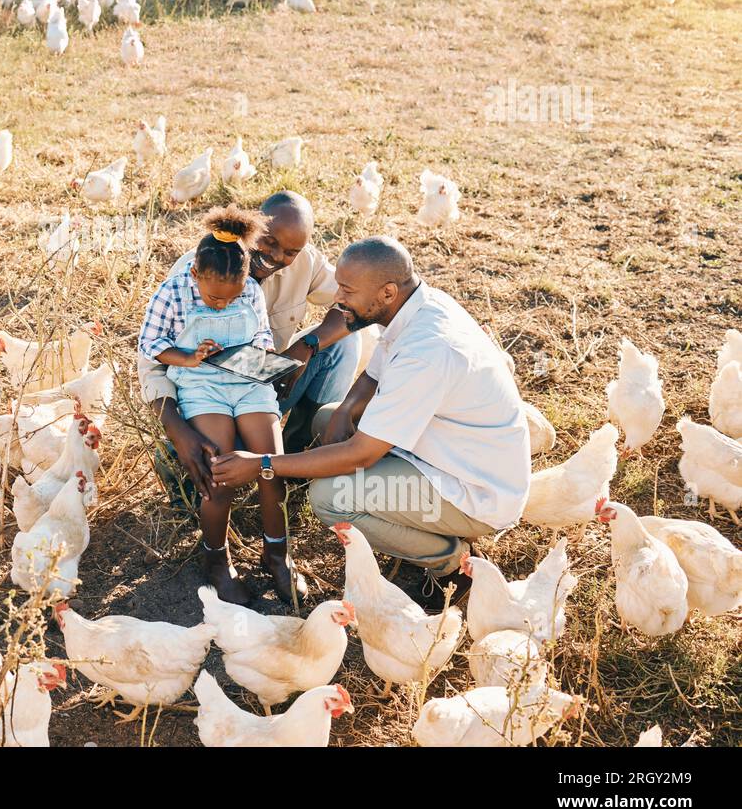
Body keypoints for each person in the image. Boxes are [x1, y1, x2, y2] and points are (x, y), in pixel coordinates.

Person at [211, 235, 531, 606]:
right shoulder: (418, 306)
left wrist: (264, 466)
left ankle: (452, 562)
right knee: (326, 419)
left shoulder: (427, 352)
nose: (337, 297)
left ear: (387, 292)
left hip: (475, 492)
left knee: (331, 498)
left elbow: (361, 455)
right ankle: (421, 526)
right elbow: (374, 374)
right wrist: (345, 412)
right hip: (449, 454)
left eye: (346, 289)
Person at [138, 191, 362, 591]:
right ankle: (214, 556)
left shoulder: (299, 262)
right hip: (196, 399)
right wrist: (179, 432)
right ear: (253, 225)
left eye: (290, 251)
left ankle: (286, 510)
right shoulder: (191, 275)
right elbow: (150, 364)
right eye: (270, 241)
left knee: (342, 342)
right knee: (212, 478)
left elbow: (354, 307)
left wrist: (301, 349)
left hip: (258, 384)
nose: (276, 256)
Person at [138, 206, 285, 604]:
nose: (221, 305)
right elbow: (150, 345)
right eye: (214, 297)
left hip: (247, 380)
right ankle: (217, 562)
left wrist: (262, 357)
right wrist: (190, 358)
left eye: (231, 297)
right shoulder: (172, 292)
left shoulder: (250, 289)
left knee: (273, 465)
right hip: (201, 384)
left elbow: (263, 334)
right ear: (194, 276)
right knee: (218, 472)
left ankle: (277, 555)